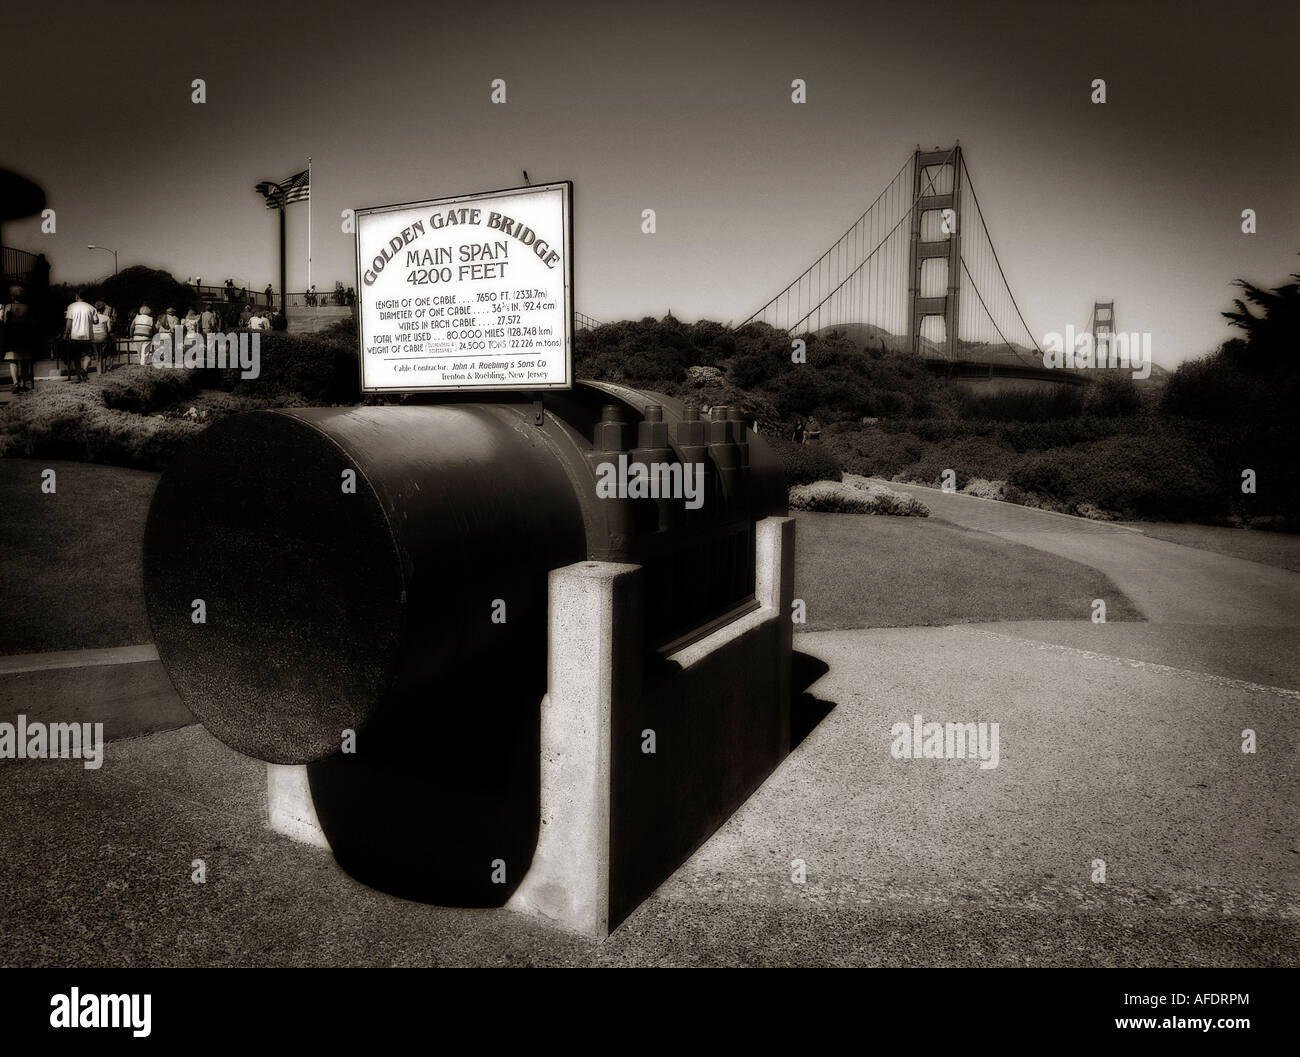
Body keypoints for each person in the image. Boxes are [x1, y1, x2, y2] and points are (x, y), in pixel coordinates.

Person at [3, 285, 37, 392]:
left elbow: (5, 322)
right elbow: (32, 322)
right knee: (25, 360)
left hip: (13, 335)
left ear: (12, 296)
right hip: (25, 335)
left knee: (13, 361)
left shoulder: (9, 306)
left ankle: (15, 383)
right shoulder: (27, 307)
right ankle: (23, 384)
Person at [64, 291, 97, 382]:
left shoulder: (71, 306)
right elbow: (96, 321)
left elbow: (69, 322)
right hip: (87, 335)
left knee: (76, 356)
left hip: (75, 336)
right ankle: (84, 370)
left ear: (77, 297)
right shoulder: (91, 308)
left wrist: (66, 333)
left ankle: (78, 375)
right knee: (88, 355)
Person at [91, 301, 114, 375]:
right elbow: (109, 329)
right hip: (103, 336)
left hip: (94, 336)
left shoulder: (91, 317)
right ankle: (102, 372)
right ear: (104, 309)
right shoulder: (106, 318)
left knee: (97, 354)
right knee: (103, 355)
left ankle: (99, 371)